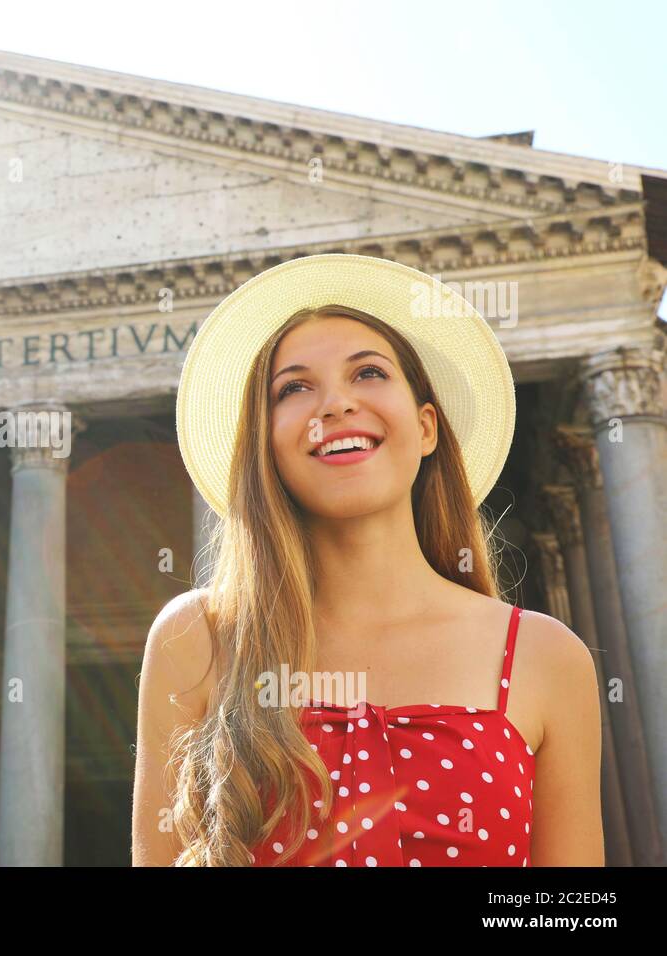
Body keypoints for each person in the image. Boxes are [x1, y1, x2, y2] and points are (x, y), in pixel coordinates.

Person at [132, 254, 603, 867]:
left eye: (369, 373)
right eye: (294, 388)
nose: (335, 404)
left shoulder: (547, 656)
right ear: (265, 445)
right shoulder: (196, 639)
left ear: (427, 427)